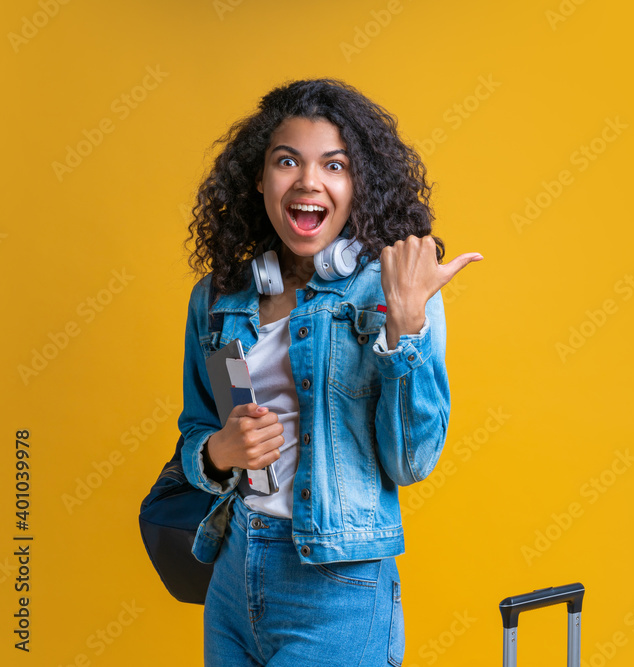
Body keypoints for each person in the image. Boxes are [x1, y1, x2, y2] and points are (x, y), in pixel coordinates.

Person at [178, 78, 482, 666]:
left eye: (334, 165)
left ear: (358, 185)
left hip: (337, 588)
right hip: (234, 570)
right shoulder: (217, 298)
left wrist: (405, 325)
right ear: (260, 179)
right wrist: (220, 451)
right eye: (286, 160)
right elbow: (195, 432)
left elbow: (412, 462)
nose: (308, 181)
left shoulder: (389, 292)